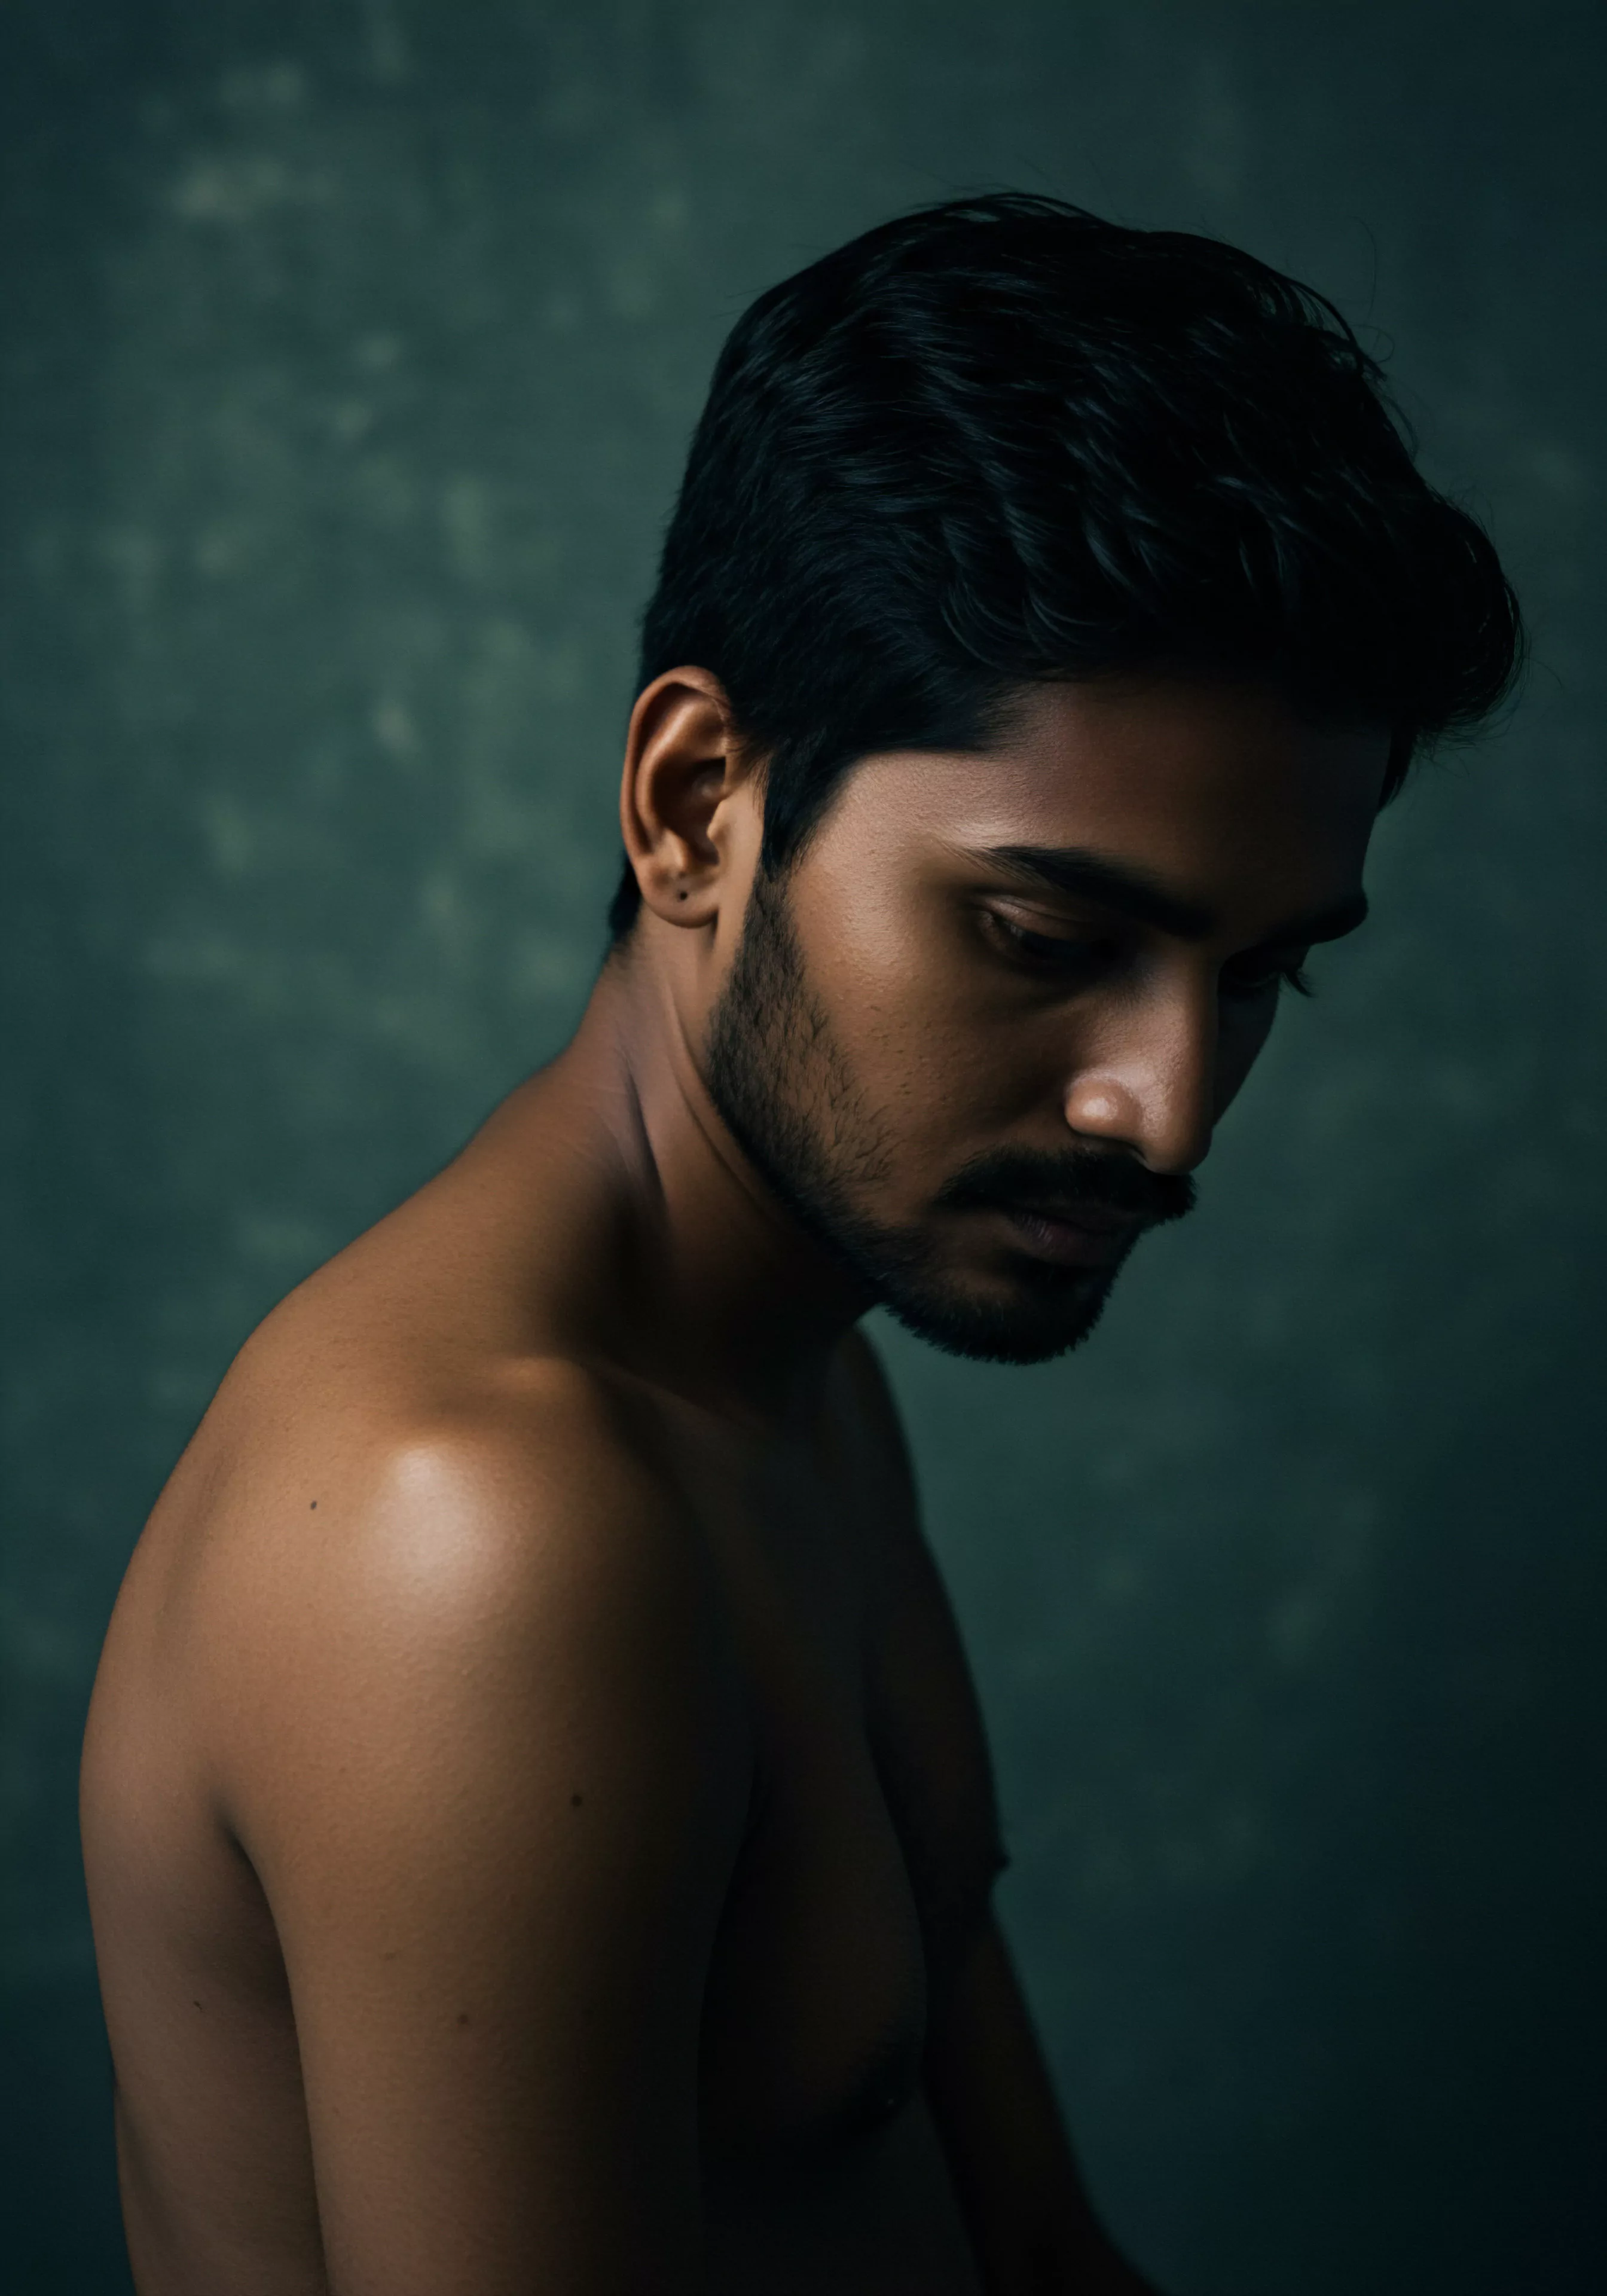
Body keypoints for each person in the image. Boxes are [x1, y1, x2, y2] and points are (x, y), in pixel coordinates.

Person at [81, 194, 1520, 2295]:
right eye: (1046, 939)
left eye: (1261, 977)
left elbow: (1026, 2242)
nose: (1168, 1105)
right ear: (690, 803)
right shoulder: (478, 1540)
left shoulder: (789, 1366)